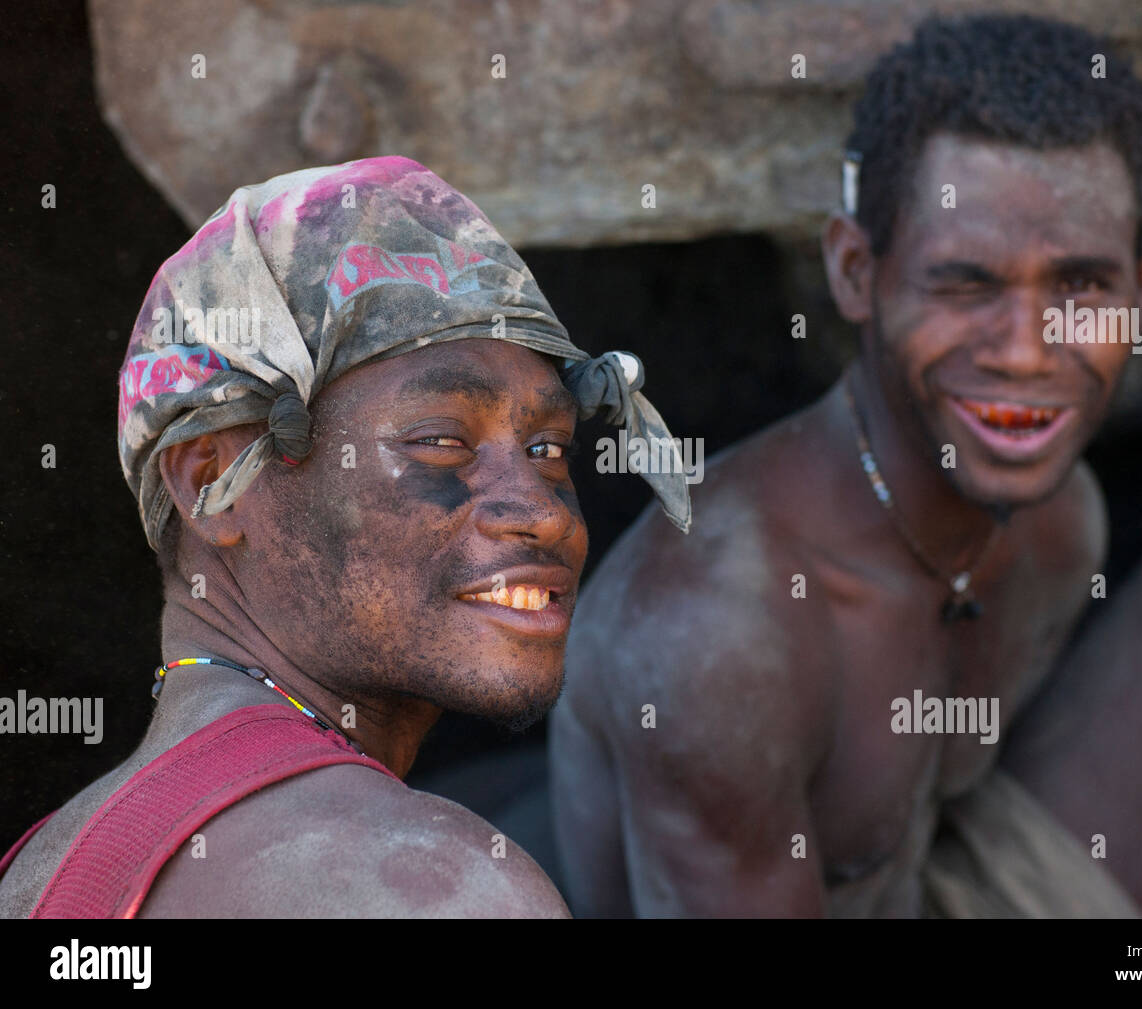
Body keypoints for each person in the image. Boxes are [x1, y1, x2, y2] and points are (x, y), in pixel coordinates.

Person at [550, 14, 1142, 917]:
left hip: (933, 883)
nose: (1026, 352)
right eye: (965, 284)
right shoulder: (718, 638)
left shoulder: (1060, 527)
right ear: (857, 271)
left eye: (1081, 287)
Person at [0, 155, 689, 918]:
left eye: (549, 449)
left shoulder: (40, 872)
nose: (547, 512)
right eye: (440, 441)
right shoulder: (439, 893)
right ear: (210, 484)